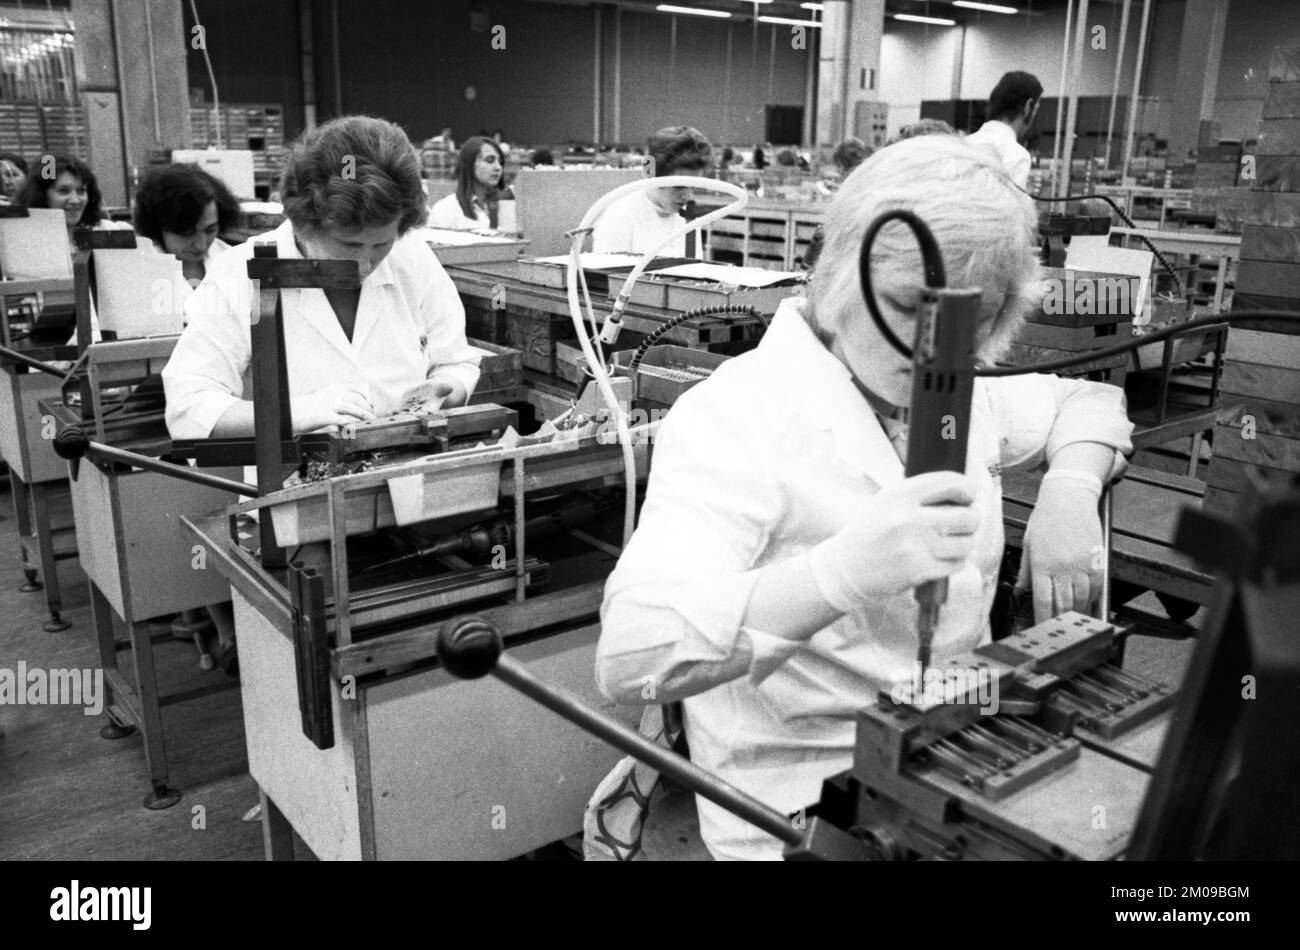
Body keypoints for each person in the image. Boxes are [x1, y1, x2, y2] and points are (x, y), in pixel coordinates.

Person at [595, 135, 1134, 860]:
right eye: (912, 308)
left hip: (966, 758)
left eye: (973, 326)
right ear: (840, 272)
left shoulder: (955, 392)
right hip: (804, 808)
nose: (937, 352)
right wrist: (840, 574)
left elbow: (1089, 402)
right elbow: (632, 658)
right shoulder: (736, 416)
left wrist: (1070, 487)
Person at [163, 114, 480, 442]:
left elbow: (456, 362)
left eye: (381, 243)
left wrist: (447, 391)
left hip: (404, 477)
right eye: (350, 244)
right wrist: (292, 414)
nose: (367, 261)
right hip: (295, 484)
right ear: (304, 223)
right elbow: (188, 407)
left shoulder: (411, 256)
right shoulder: (239, 274)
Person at [591, 126, 712, 257]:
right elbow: (604, 276)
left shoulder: (688, 217)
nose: (688, 196)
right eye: (678, 186)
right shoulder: (620, 216)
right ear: (652, 176)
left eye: (693, 187)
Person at [133, 164, 241, 285]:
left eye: (210, 230)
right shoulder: (139, 272)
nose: (201, 245)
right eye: (187, 233)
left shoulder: (234, 262)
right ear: (158, 226)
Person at [16, 154, 132, 240]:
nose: (75, 200)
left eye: (81, 191)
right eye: (63, 191)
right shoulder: (24, 240)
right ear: (41, 195)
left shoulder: (108, 232)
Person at [966, 71, 1042, 189]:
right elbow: (1009, 207)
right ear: (1028, 106)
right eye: (1036, 109)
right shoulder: (1015, 155)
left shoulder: (963, 143)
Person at [428, 136, 507, 231]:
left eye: (500, 162)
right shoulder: (445, 209)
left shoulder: (505, 207)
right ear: (469, 163)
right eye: (489, 160)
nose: (498, 167)